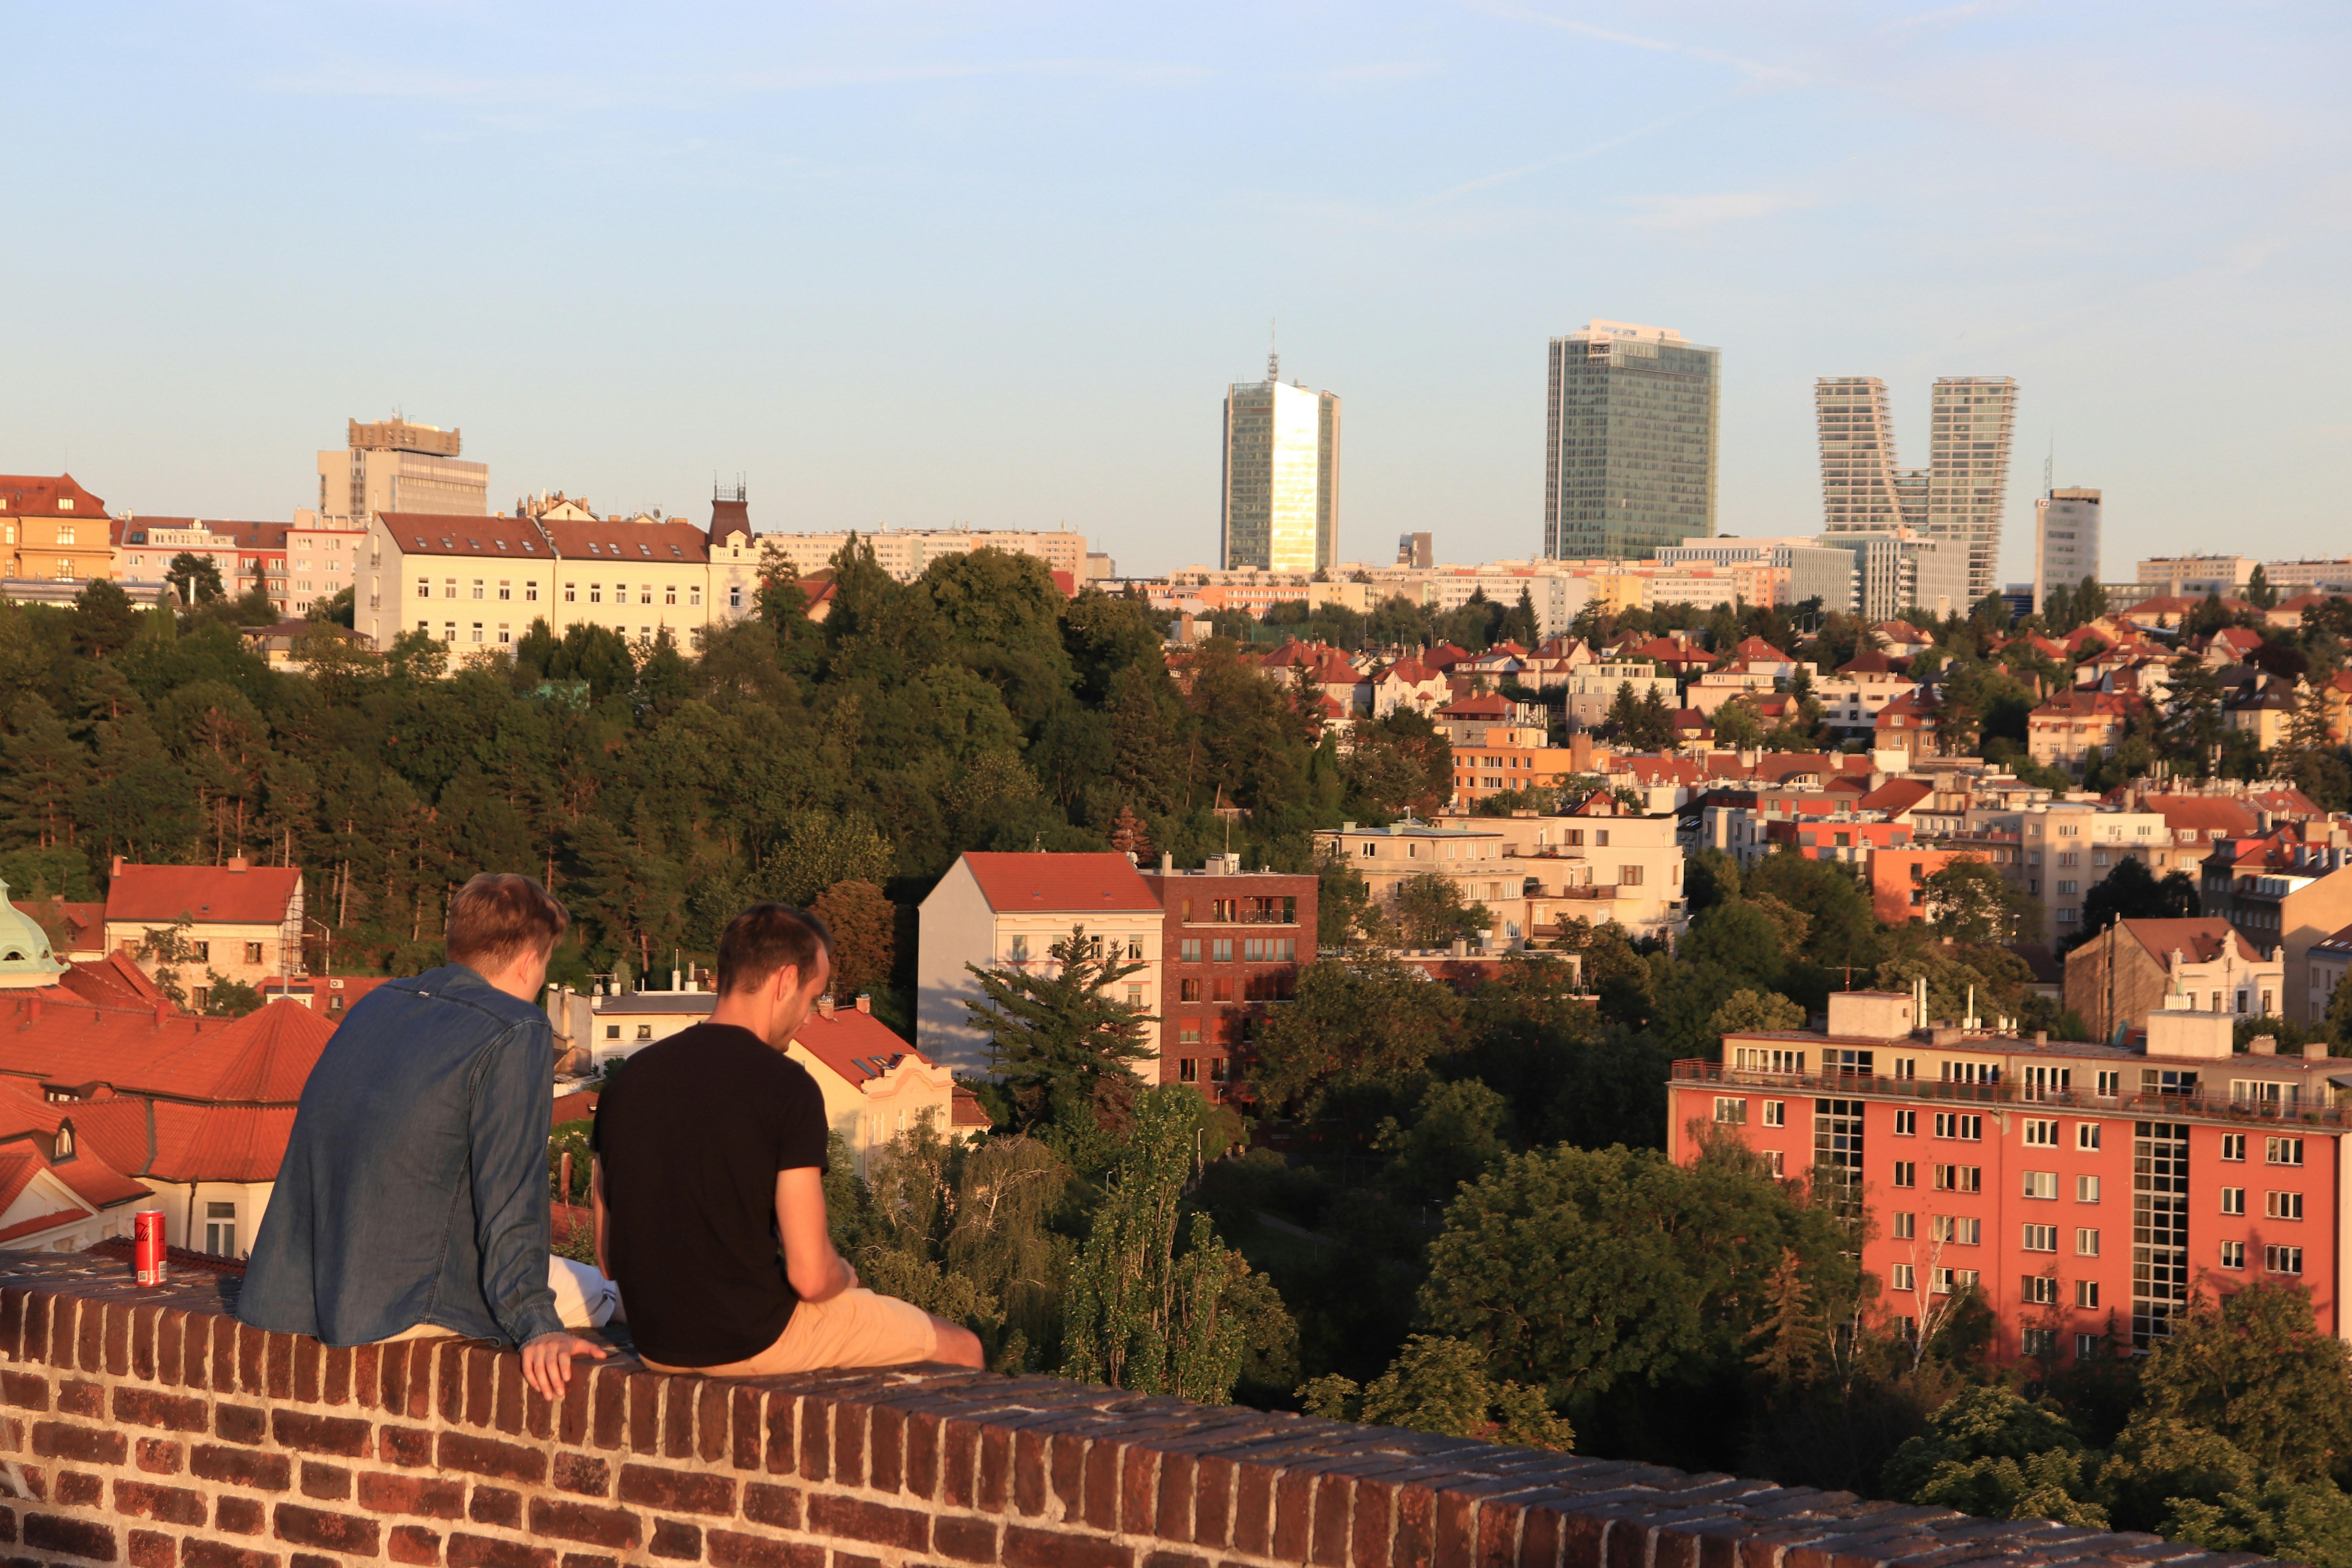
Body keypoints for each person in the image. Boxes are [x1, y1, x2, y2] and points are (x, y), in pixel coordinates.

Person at [240, 873, 607, 1401]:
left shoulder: (381, 1002)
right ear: (530, 960)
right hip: (405, 1301)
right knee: (604, 1294)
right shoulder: (516, 1028)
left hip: (301, 1290)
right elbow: (512, 1195)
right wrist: (535, 1322)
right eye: (546, 964)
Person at [592, 903, 983, 1376]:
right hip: (751, 1339)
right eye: (812, 995)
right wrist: (845, 1275)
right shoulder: (786, 1086)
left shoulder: (626, 1081)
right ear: (784, 981)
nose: (808, 1018)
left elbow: (609, 1258)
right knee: (963, 1349)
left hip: (656, 1344)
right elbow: (811, 1275)